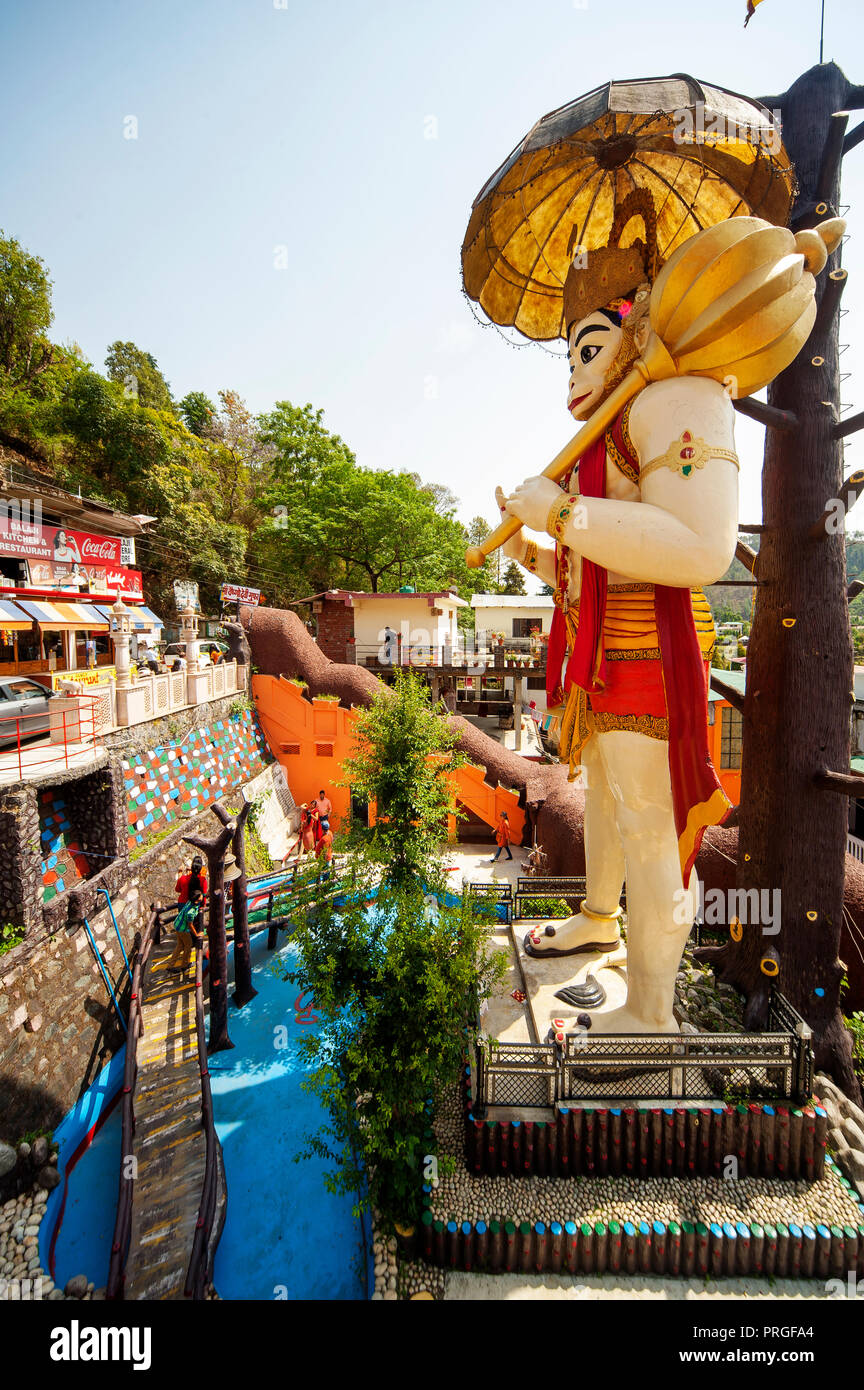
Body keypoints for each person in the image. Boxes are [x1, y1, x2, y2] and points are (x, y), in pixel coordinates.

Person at [495, 187, 738, 1034]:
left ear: (638, 330)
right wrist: (538, 545)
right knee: (603, 805)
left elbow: (700, 545)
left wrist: (560, 515)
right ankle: (599, 919)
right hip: (599, 667)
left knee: (648, 835)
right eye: (567, 357)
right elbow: (586, 567)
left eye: (588, 345)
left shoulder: (679, 399)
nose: (573, 371)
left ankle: (652, 1013)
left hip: (646, 663)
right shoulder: (607, 432)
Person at [167, 886, 205, 973]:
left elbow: (203, 895)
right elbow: (190, 925)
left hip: (177, 925)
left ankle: (170, 965)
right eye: (200, 898)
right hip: (183, 929)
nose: (202, 898)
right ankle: (184, 965)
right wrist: (196, 934)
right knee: (188, 945)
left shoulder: (190, 902)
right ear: (196, 901)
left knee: (180, 945)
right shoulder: (190, 912)